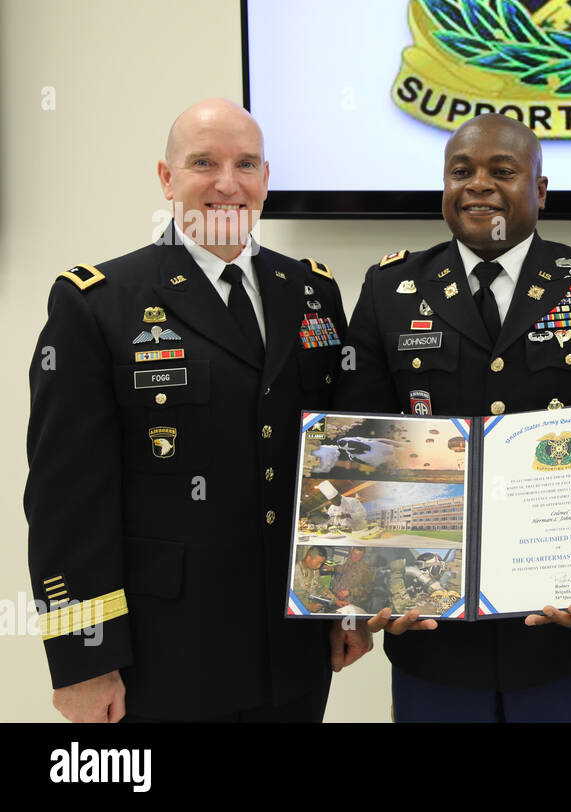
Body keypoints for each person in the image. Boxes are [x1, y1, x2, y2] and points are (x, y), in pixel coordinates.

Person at [25, 98, 369, 723]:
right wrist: (84, 659)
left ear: (266, 178)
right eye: (203, 162)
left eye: (246, 164)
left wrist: (345, 604)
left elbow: (335, 461)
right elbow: (64, 500)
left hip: (292, 645)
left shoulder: (313, 291)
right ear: (166, 178)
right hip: (165, 653)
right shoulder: (100, 304)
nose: (227, 183)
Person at [336, 113, 571, 722]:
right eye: (460, 172)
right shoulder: (390, 289)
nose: (479, 186)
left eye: (503, 171)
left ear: (540, 190)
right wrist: (369, 580)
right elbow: (360, 443)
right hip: (436, 638)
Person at [294, 547, 337, 613]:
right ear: (308, 558)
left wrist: (335, 600)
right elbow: (290, 597)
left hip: (316, 607)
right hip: (300, 609)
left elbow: (320, 587)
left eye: (321, 563)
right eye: (318, 562)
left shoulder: (315, 570)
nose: (319, 566)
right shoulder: (294, 571)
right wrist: (307, 606)